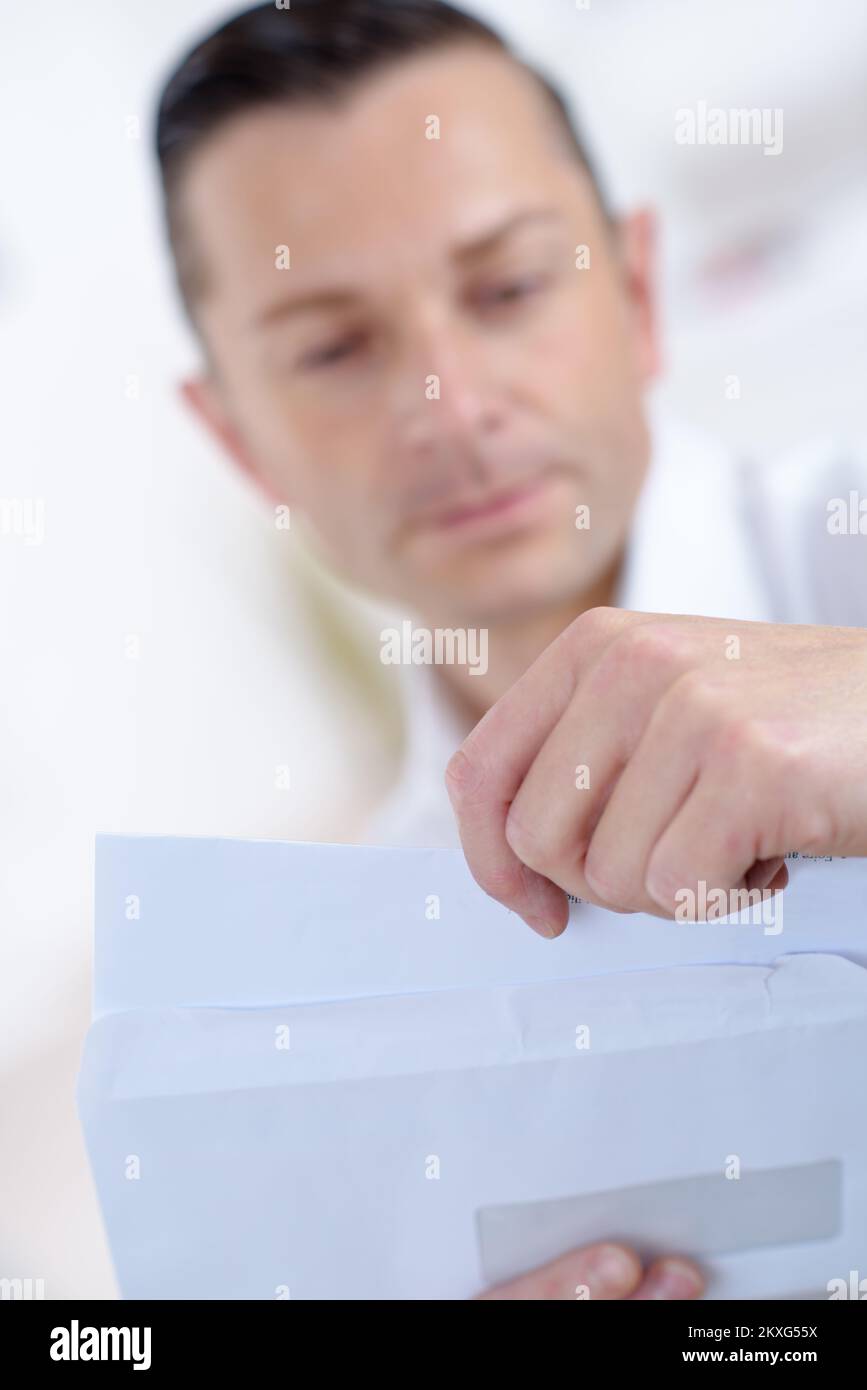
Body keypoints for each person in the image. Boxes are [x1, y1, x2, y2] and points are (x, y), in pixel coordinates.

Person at [155, 0, 866, 1298]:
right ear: (239, 440)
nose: (451, 403)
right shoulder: (341, 1008)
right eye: (332, 347)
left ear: (640, 293)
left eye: (509, 287)